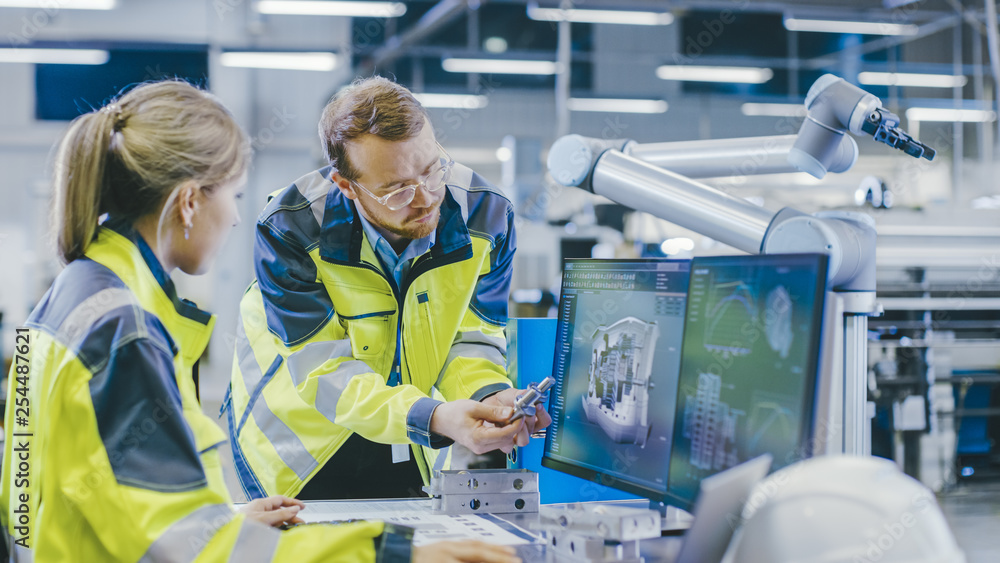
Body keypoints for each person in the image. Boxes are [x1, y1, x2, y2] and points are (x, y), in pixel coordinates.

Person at [0, 80, 518, 563]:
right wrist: (392, 554)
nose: (233, 217)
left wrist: (215, 520)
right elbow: (191, 550)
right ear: (187, 203)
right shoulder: (126, 329)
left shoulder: (74, 297)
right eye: (234, 196)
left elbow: (24, 501)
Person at [226, 76, 550, 501]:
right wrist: (434, 417)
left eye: (432, 170)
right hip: (300, 445)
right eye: (397, 189)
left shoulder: (485, 218)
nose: (425, 198)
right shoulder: (292, 227)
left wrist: (492, 398)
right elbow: (323, 371)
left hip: (411, 434)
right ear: (346, 185)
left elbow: (472, 338)